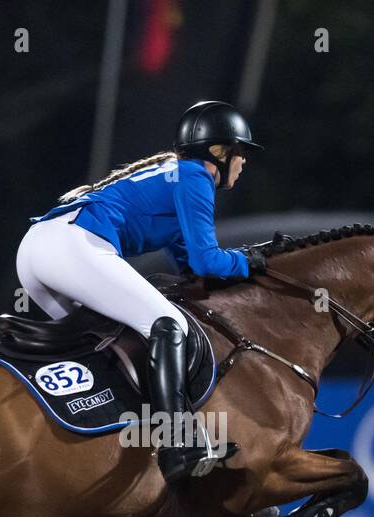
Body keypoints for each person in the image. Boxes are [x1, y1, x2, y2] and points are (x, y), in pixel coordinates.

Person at [16, 100, 265, 483]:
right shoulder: (196, 175)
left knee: (107, 344)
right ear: (219, 151)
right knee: (168, 324)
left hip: (35, 251)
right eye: (240, 152)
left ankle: (91, 436)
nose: (244, 162)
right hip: (74, 245)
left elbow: (188, 264)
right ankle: (177, 444)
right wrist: (251, 261)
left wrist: (232, 270)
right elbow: (207, 260)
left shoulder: (173, 174)